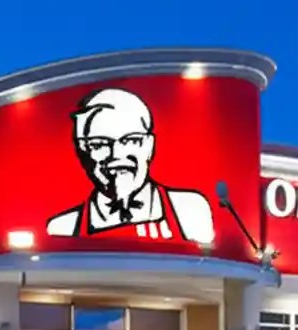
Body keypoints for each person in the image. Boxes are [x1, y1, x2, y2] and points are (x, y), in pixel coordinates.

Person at [46, 87, 214, 243]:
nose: (117, 155)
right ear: (82, 152)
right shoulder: (63, 228)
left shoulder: (189, 208)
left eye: (131, 140)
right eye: (99, 144)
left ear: (149, 146)